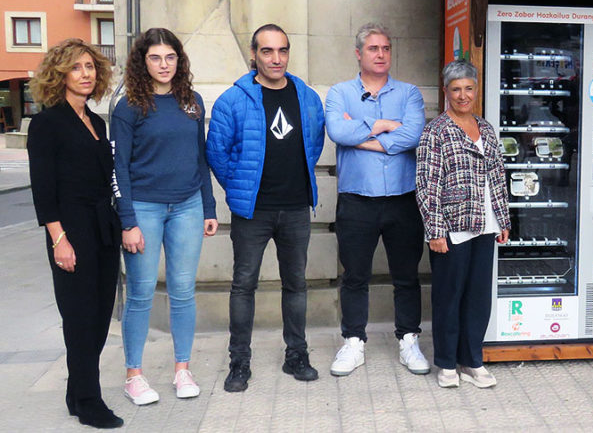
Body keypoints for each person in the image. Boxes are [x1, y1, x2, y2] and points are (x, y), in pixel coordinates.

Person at [206, 24, 326, 392]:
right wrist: (241, 186)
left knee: (296, 285)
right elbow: (216, 152)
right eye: (268, 51)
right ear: (254, 54)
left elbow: (315, 141)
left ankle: (297, 355)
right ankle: (239, 363)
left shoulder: (306, 96)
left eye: (282, 51)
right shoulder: (234, 99)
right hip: (252, 212)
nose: (276, 58)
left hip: (294, 209)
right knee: (244, 285)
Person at [110, 28, 219, 404]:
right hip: (144, 208)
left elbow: (199, 157)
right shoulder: (129, 107)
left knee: (183, 292)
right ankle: (134, 376)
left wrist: (208, 207)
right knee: (140, 294)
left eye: (170, 57)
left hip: (187, 206)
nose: (164, 65)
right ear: (142, 62)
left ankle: (182, 370)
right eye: (155, 58)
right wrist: (128, 220)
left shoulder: (193, 101)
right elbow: (118, 167)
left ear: (179, 59)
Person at [27, 39, 123, 428]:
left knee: (100, 316)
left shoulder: (96, 121)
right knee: (80, 318)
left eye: (90, 67)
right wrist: (59, 240)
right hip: (71, 229)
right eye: (76, 68)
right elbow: (43, 189)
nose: (86, 74)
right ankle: (88, 401)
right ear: (60, 74)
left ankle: (74, 390)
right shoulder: (47, 123)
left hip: (103, 226)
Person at [325, 23, 428, 377]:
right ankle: (353, 342)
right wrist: (385, 124)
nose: (381, 54)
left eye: (385, 48)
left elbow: (412, 135)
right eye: (373, 49)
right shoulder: (339, 93)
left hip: (402, 199)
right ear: (359, 54)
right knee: (354, 275)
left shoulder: (410, 93)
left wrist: (364, 131)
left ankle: (409, 340)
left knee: (407, 275)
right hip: (357, 200)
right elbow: (337, 131)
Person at [415, 61, 510, 388]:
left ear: (476, 90)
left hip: (485, 226)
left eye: (468, 88)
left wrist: (503, 219)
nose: (463, 94)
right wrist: (435, 230)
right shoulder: (436, 130)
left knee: (478, 297)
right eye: (456, 89)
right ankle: (445, 363)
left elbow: (497, 176)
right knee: (449, 296)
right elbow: (427, 184)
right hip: (452, 229)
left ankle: (472, 359)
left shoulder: (487, 128)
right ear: (446, 92)